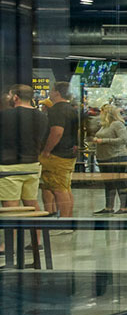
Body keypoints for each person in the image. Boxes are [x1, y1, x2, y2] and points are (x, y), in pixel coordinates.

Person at [0, 85, 46, 212]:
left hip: (9, 166)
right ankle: (37, 226)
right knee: (31, 202)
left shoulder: (5, 115)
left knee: (11, 205)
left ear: (15, 97)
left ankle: (13, 226)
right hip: (32, 164)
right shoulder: (42, 116)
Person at [39, 80, 79, 219]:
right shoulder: (72, 110)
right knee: (65, 188)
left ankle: (64, 222)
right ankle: (68, 218)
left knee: (59, 190)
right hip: (68, 155)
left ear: (56, 92)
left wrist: (46, 150)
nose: (50, 92)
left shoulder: (56, 109)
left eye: (52, 90)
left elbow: (57, 132)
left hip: (57, 156)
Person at [94, 103, 127, 214]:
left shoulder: (117, 124)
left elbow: (123, 139)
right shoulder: (104, 125)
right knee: (108, 183)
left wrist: (104, 141)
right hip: (104, 157)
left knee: (119, 182)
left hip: (117, 156)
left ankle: (124, 207)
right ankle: (108, 207)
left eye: (101, 111)